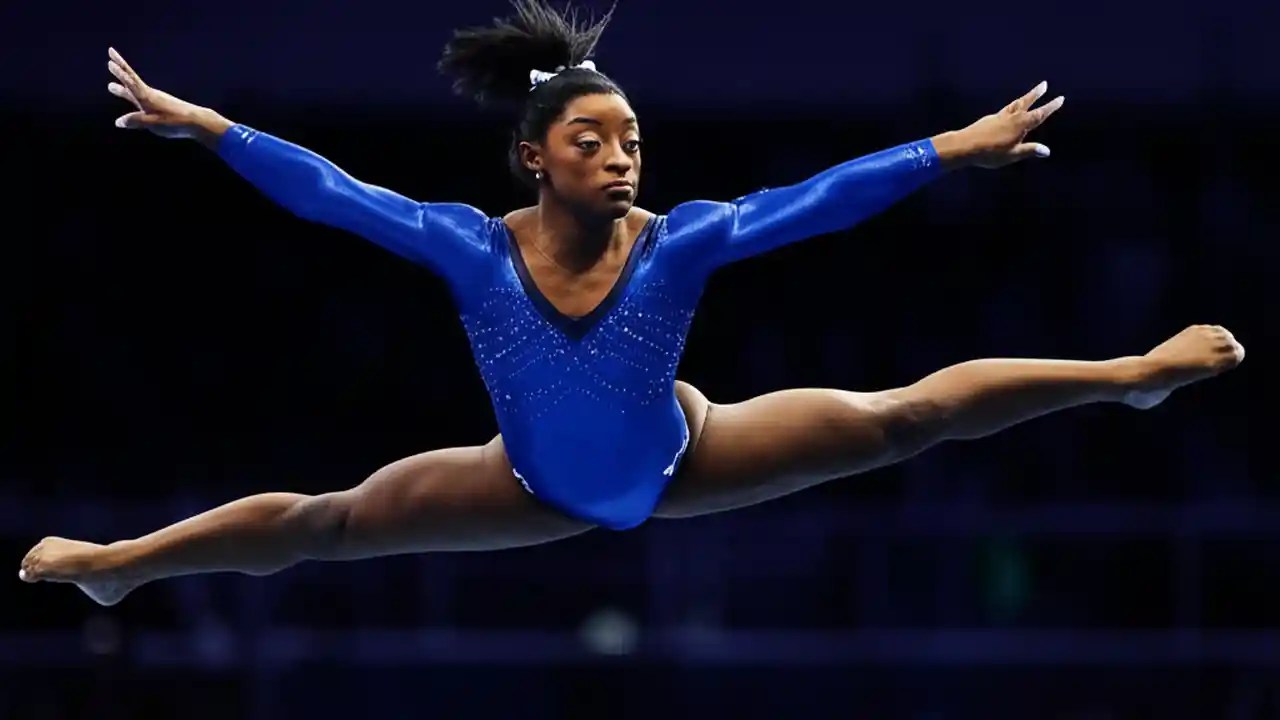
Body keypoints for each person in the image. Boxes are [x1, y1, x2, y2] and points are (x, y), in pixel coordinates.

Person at [20, 1, 1243, 606]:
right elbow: (335, 195)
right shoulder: (471, 251)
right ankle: (122, 567)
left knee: (901, 418)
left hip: (681, 454)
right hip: (523, 482)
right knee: (327, 522)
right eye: (591, 142)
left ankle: (1126, 376)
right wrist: (213, 128)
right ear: (534, 158)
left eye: (632, 141)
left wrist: (950, 149)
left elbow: (814, 201)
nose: (621, 159)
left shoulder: (678, 242)